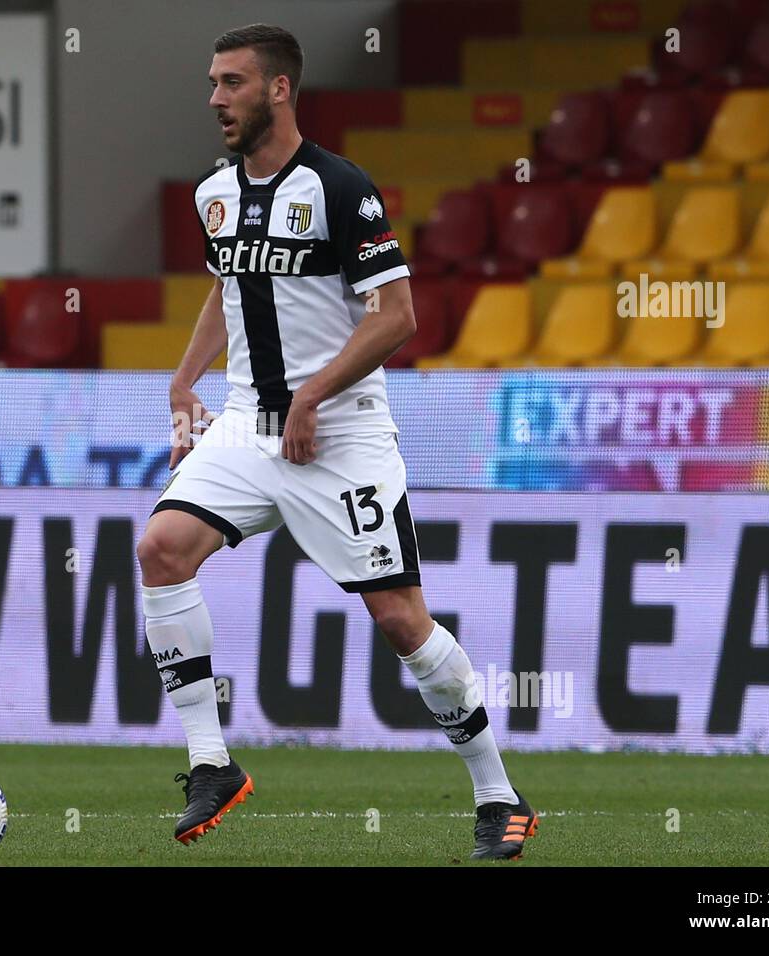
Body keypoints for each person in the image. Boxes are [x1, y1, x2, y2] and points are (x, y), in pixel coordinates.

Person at [137, 23, 537, 860]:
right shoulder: (215, 193)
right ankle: (212, 764)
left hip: (341, 432)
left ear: (279, 90)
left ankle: (499, 794)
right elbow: (229, 289)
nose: (216, 99)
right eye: (212, 83)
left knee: (400, 621)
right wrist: (183, 381)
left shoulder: (338, 187)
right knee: (162, 548)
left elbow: (398, 317)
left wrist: (316, 394)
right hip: (252, 423)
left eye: (233, 84)